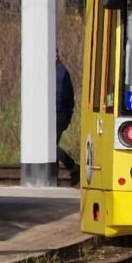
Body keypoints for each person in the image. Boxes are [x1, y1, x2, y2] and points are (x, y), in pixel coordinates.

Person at [56, 54, 80, 183]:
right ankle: (70, 170)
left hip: (57, 114)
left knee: (49, 147)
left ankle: (73, 167)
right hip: (59, 114)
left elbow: (58, 97)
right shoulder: (59, 71)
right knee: (50, 146)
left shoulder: (59, 72)